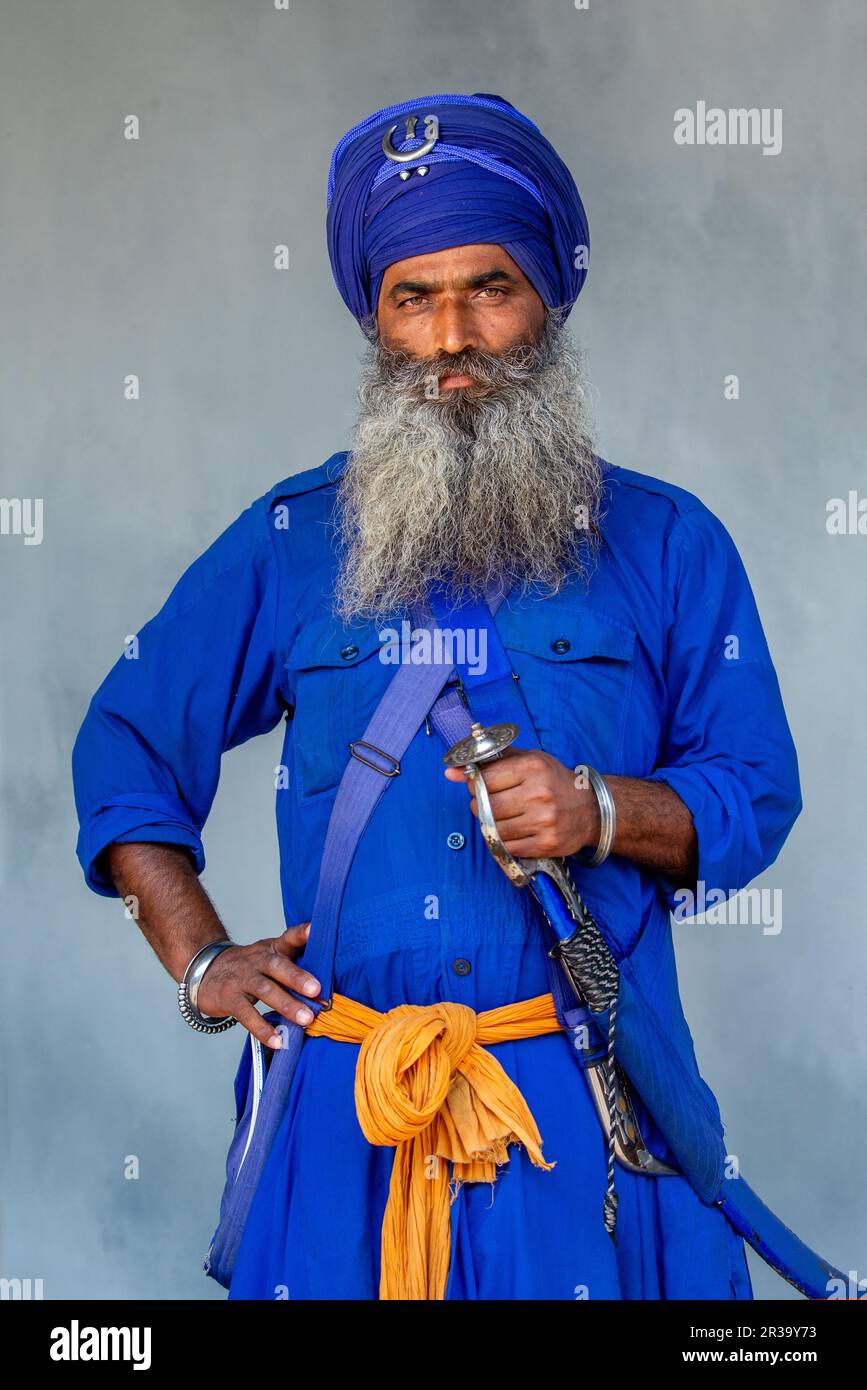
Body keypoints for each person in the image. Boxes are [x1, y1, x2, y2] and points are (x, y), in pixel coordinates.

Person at [72, 92, 802, 1300]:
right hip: (347, 1127)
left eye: (490, 287)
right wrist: (201, 961)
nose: (452, 331)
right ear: (378, 318)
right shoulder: (288, 543)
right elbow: (127, 740)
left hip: (587, 1127)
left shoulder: (672, 545)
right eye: (415, 297)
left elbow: (755, 794)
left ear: (546, 306)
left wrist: (603, 811)